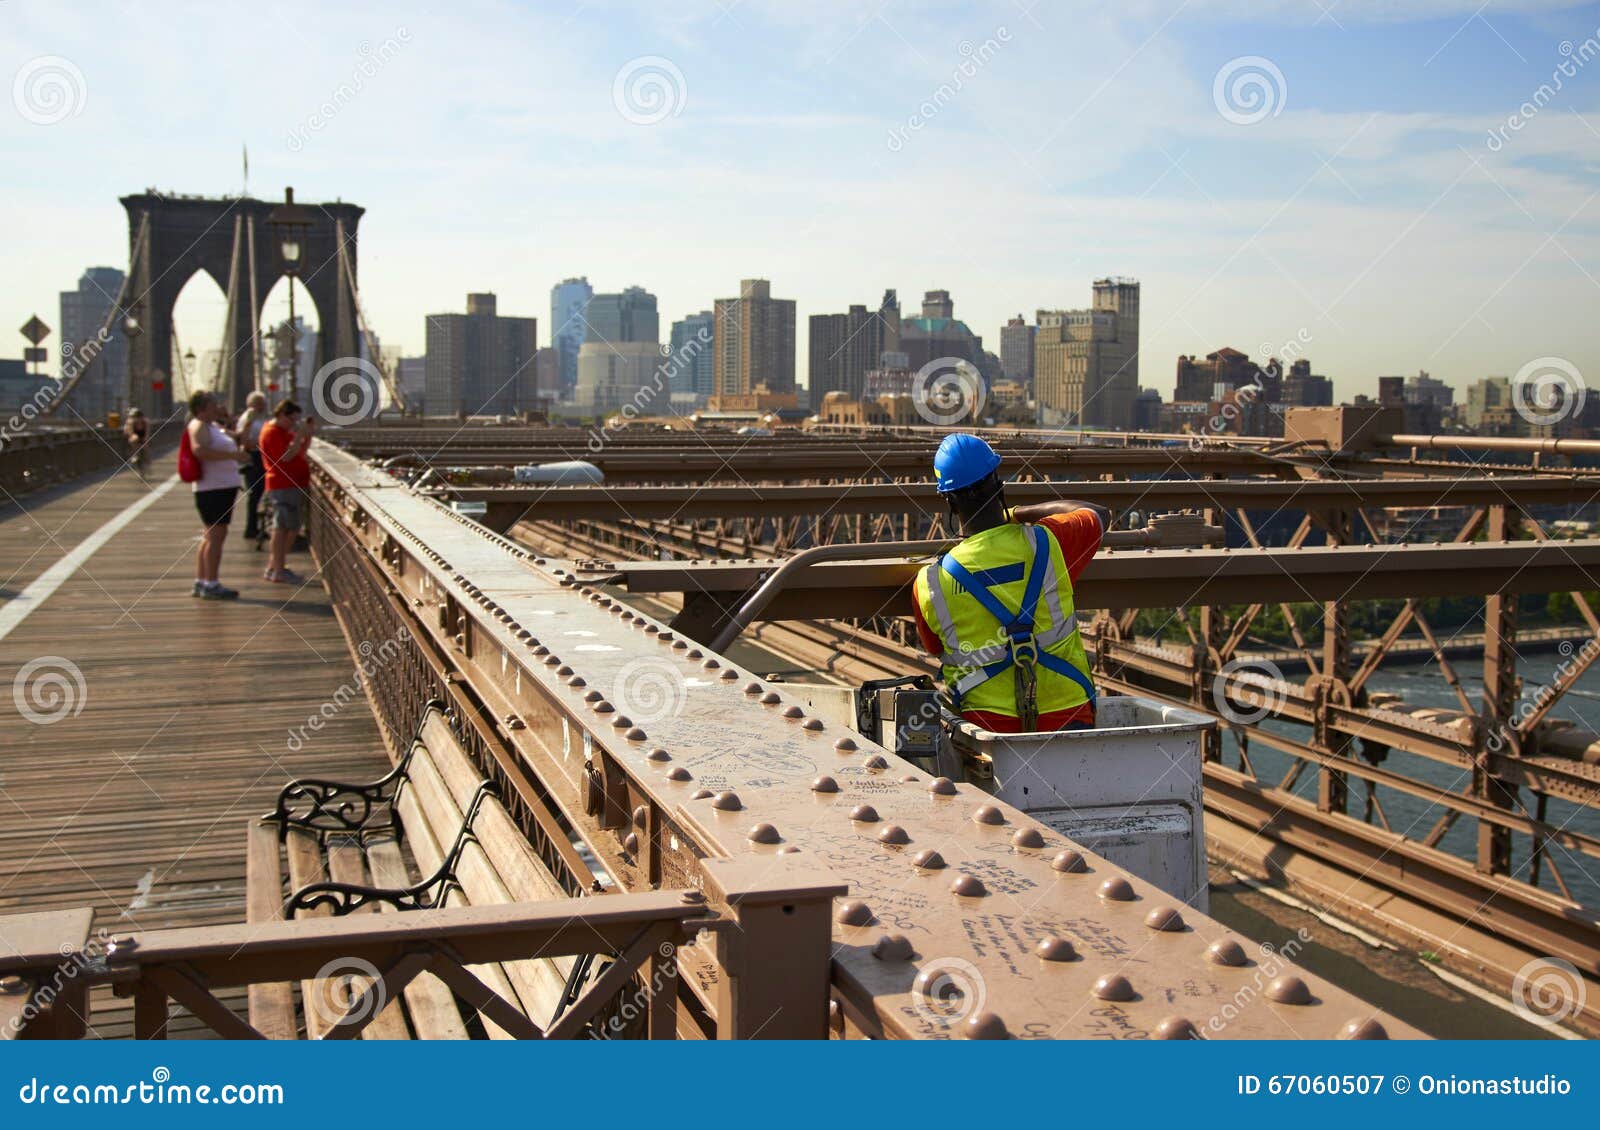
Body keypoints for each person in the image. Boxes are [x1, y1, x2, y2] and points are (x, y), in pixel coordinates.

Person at [911, 433, 1112, 733]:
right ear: (999, 484)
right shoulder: (1049, 542)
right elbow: (1100, 514)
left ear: (949, 500)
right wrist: (1016, 513)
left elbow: (934, 646)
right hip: (1069, 716)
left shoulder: (929, 582)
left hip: (987, 729)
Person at [186, 391, 247, 600]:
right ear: (202, 408)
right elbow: (199, 451)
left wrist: (230, 419)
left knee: (210, 536)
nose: (217, 408)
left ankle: (202, 581)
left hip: (220, 488)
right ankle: (211, 584)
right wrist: (233, 456)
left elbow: (238, 436)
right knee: (216, 538)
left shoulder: (212, 426)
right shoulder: (199, 426)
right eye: (213, 405)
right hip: (213, 489)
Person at [257, 398, 315, 584]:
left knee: (292, 526)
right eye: (292, 420)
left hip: (292, 484)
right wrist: (299, 435)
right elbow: (286, 457)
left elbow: (299, 452)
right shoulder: (271, 433)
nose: (293, 424)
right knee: (281, 527)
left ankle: (276, 566)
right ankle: (278, 570)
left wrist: (307, 436)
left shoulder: (283, 431)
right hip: (282, 485)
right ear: (282, 415)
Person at [237, 391, 269, 543]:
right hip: (254, 458)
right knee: (254, 494)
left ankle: (254, 527)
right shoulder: (249, 418)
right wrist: (265, 444)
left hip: (258, 457)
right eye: (261, 403)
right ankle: (251, 528)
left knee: (257, 494)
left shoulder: (256, 418)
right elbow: (245, 441)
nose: (264, 406)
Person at [124, 408, 149, 476]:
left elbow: (146, 432)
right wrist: (133, 436)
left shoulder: (145, 422)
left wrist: (145, 439)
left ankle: (147, 462)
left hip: (142, 435)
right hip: (134, 435)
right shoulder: (131, 422)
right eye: (136, 416)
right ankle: (134, 455)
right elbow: (130, 432)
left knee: (146, 448)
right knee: (133, 442)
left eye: (139, 416)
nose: (138, 418)